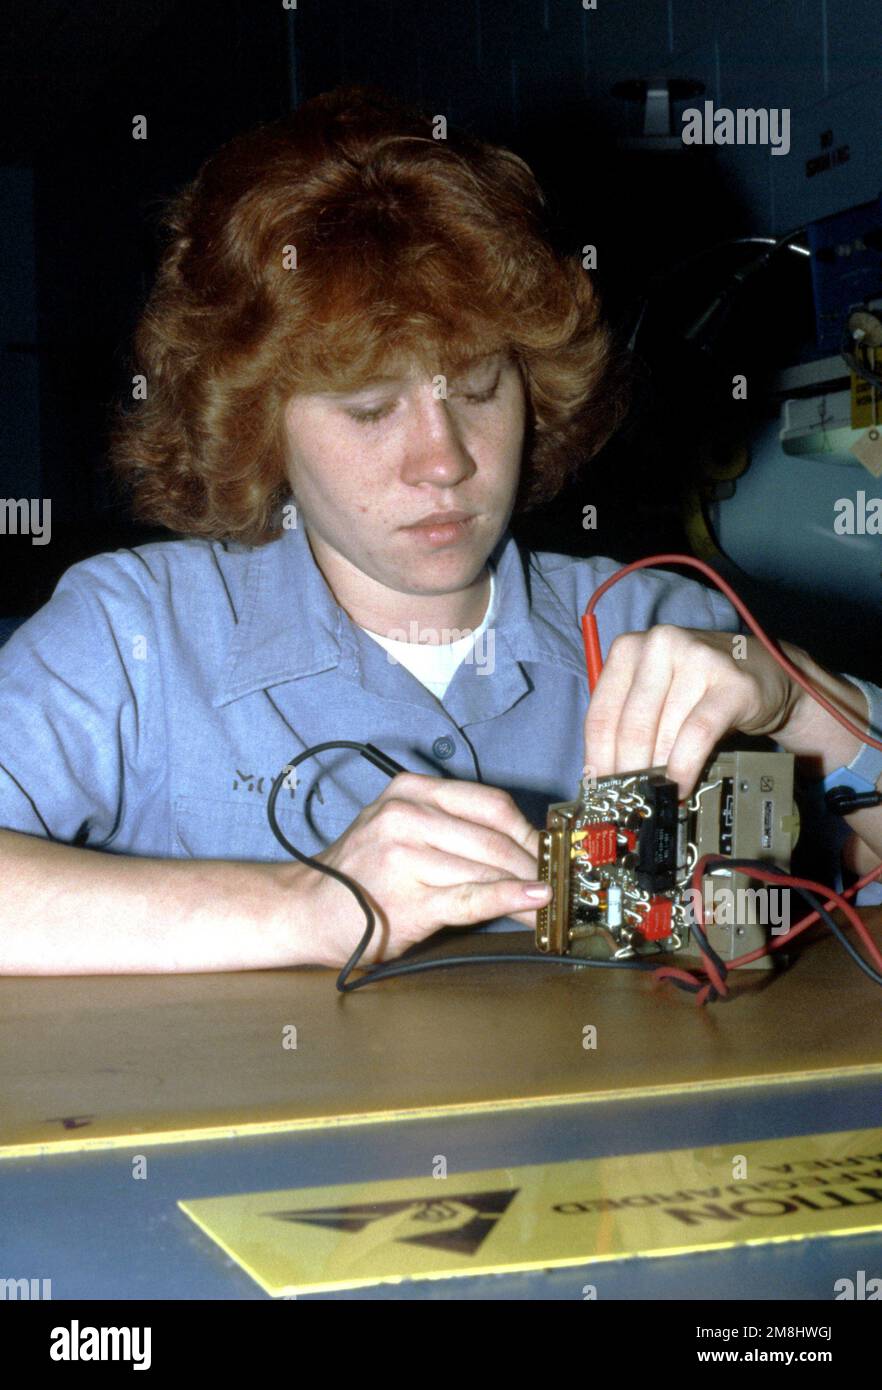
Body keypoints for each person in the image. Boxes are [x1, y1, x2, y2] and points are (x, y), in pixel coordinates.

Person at [1, 86, 880, 976]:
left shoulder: (663, 629)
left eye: (478, 389)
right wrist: (304, 910)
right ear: (259, 426)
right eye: (371, 408)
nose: (444, 461)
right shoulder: (132, 636)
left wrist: (804, 702)